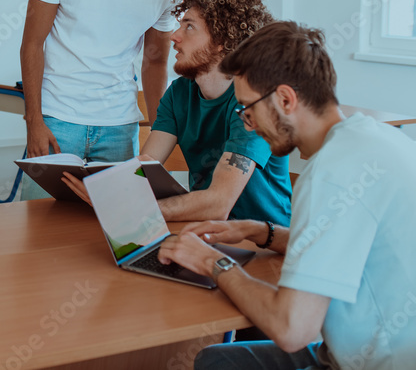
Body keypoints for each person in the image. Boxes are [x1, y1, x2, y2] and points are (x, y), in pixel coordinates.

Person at [158, 22, 416, 369]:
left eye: (248, 109)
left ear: (285, 99)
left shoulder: (330, 173)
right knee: (217, 359)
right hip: (364, 351)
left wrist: (211, 261)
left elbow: (292, 328)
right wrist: (261, 232)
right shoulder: (376, 139)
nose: (248, 124)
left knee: (213, 362)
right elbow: (344, 242)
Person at [63, 0, 292, 225]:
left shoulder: (253, 102)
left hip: (261, 244)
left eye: (189, 27)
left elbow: (218, 204)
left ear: (221, 42)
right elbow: (147, 164)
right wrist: (103, 188)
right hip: (203, 231)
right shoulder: (179, 93)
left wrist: (130, 207)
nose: (174, 36)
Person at [20, 0, 180, 200]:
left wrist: (156, 133)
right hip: (58, 117)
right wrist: (34, 120)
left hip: (120, 126)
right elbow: (32, 44)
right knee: (39, 229)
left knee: (121, 228)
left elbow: (155, 62)